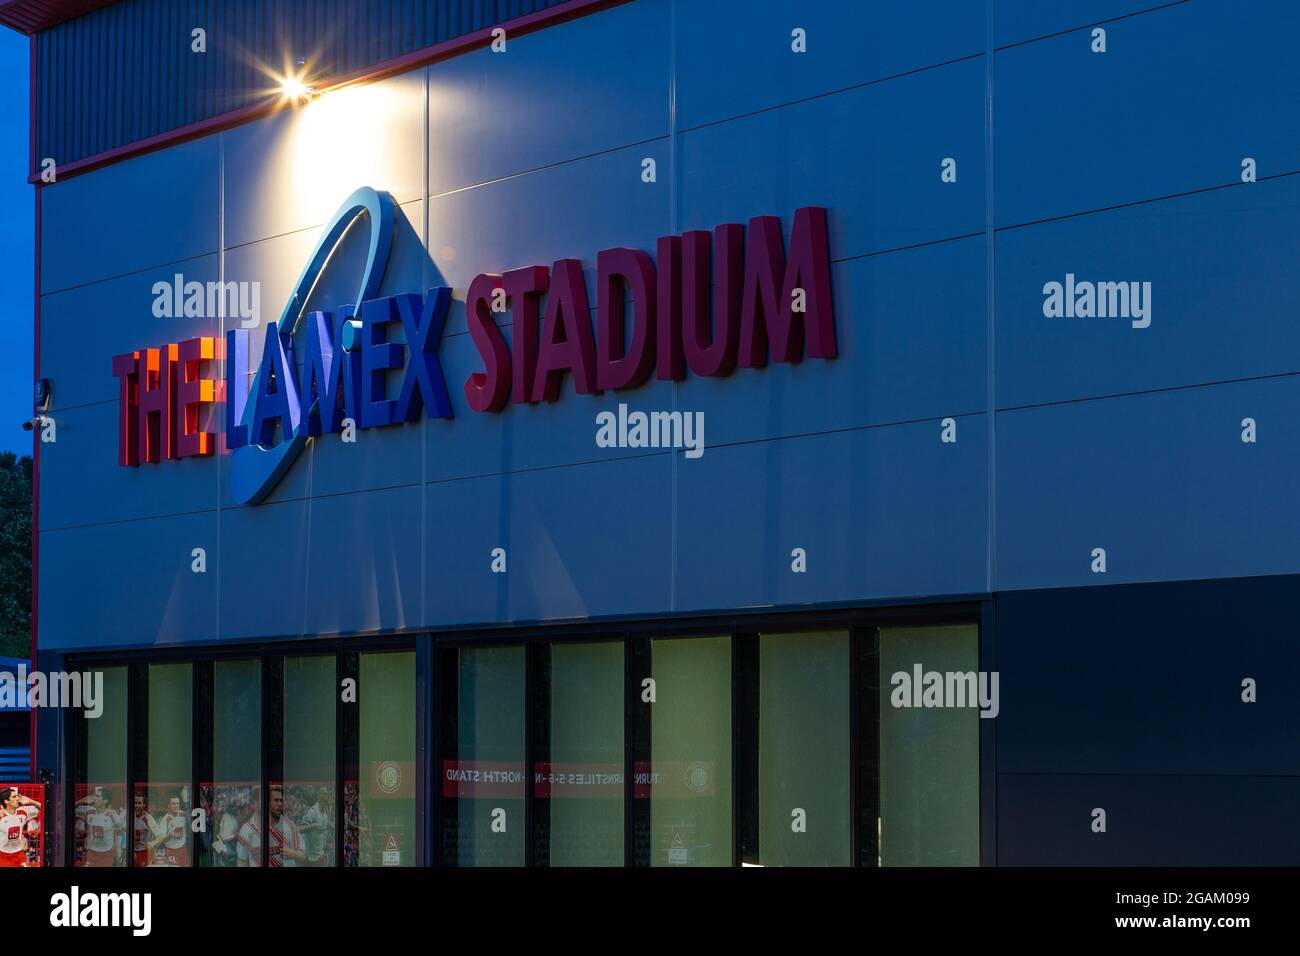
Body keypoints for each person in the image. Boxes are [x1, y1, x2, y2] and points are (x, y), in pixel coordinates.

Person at [237, 785, 306, 867]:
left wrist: (293, 854)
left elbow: (303, 856)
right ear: (255, 803)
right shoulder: (246, 830)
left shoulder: (289, 825)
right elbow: (242, 860)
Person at [76, 787, 123, 867]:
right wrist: (81, 801)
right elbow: (66, 809)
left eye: (98, 796)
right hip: (91, 851)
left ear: (105, 800)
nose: (94, 798)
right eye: (95, 796)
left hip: (107, 853)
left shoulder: (112, 814)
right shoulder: (89, 812)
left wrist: (119, 852)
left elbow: (120, 833)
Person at [0, 788, 40, 868]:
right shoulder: (1, 816)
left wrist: (31, 801)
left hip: (19, 855)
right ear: (6, 801)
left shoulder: (23, 812)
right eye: (14, 797)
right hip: (3, 856)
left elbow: (44, 808)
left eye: (17, 796)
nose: (17, 798)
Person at [147, 793, 188, 867]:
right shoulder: (165, 820)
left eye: (177, 803)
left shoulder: (183, 814)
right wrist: (170, 835)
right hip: (171, 851)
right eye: (173, 804)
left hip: (183, 850)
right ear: (168, 805)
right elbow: (162, 838)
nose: (176, 806)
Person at [298, 787, 332, 866]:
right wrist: (312, 826)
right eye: (324, 793)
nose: (326, 796)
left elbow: (326, 827)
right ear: (318, 796)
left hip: (321, 856)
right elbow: (300, 829)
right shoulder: (312, 811)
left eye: (327, 794)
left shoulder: (325, 814)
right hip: (311, 859)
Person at [132, 792, 154, 868]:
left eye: (139, 803)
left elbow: (160, 836)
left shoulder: (148, 818)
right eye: (135, 803)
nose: (136, 805)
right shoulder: (127, 816)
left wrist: (152, 843)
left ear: (144, 805)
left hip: (144, 852)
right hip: (131, 852)